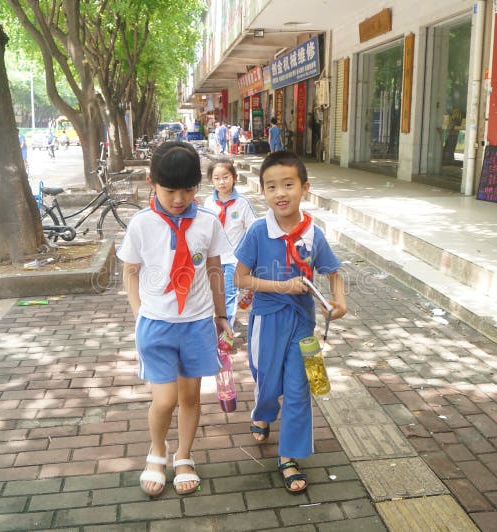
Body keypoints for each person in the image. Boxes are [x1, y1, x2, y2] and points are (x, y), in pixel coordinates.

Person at [117, 141, 232, 498]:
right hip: (156, 324)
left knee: (191, 397)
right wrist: (139, 314)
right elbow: (130, 271)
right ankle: (157, 451)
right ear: (152, 182)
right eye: (170, 190)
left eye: (188, 189)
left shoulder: (207, 222)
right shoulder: (142, 224)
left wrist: (221, 314)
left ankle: (183, 455)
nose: (179, 198)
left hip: (197, 324)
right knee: (164, 400)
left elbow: (214, 269)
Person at [234, 151, 347, 494]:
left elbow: (333, 271)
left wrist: (339, 302)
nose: (280, 193)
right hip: (266, 322)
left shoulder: (314, 234)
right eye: (271, 187)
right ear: (263, 192)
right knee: (267, 382)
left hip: (302, 324)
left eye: (288, 185)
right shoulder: (257, 231)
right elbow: (241, 278)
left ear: (305, 188)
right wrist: (281, 286)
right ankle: (263, 412)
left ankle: (289, 456)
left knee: (299, 388)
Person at [203, 159, 257, 330]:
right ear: (211, 180)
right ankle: (218, 326)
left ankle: (225, 337)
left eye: (225, 177)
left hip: (234, 259)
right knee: (214, 295)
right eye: (216, 178)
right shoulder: (208, 203)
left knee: (229, 296)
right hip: (212, 259)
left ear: (234, 177)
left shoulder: (242, 203)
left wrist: (249, 258)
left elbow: (253, 230)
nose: (221, 182)